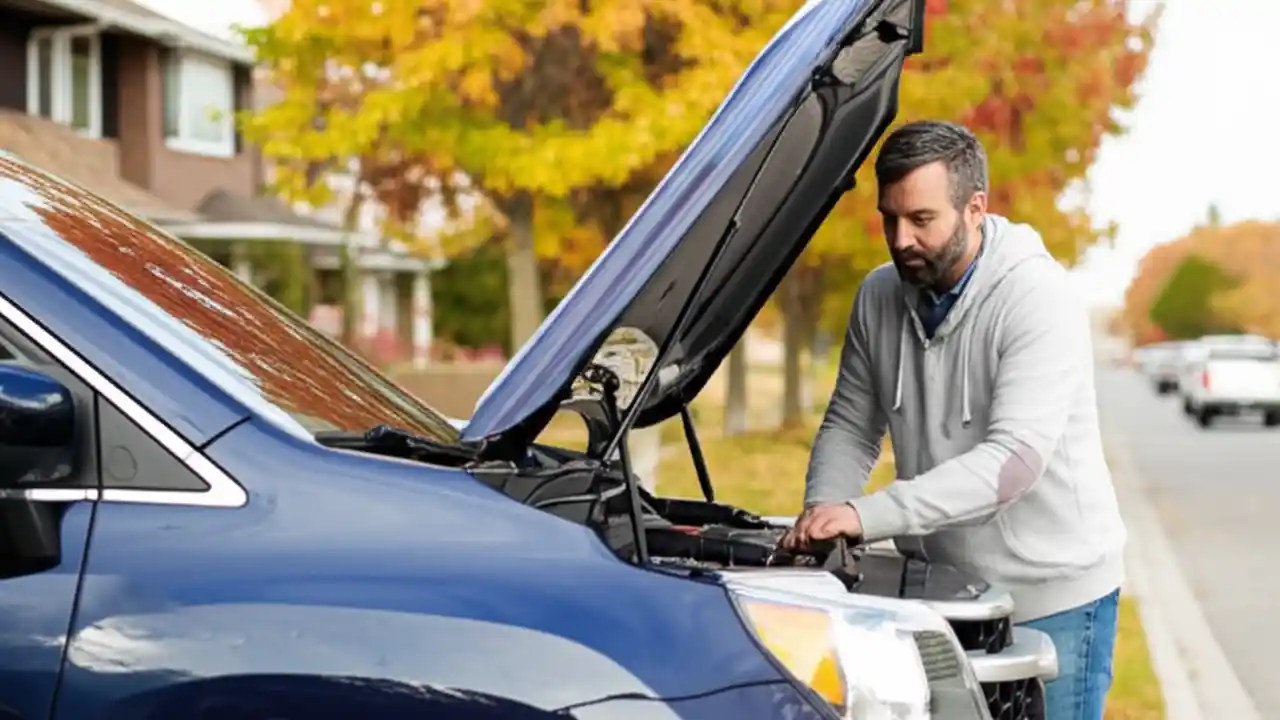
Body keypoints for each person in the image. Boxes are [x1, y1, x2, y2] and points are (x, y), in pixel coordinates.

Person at [779, 120, 1127, 720]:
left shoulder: (1037, 296)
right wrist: (823, 524)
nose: (901, 238)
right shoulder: (878, 296)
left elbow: (1012, 464)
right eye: (890, 218)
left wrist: (864, 517)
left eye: (922, 220)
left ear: (975, 208)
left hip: (1056, 596)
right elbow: (851, 424)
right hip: (941, 592)